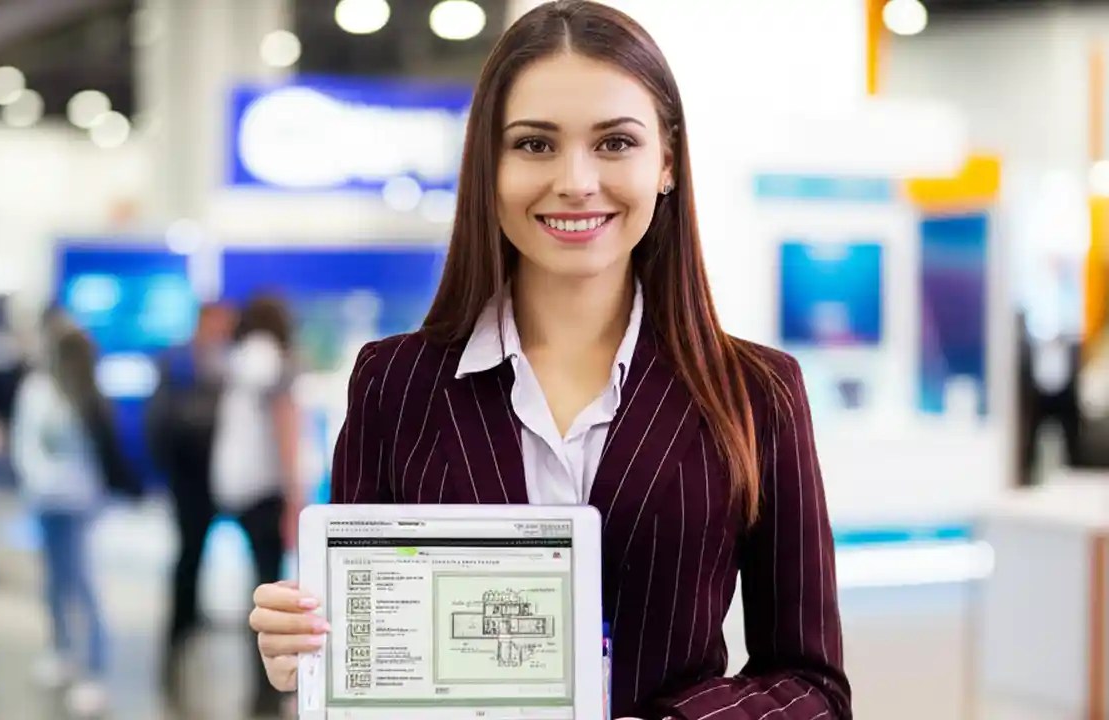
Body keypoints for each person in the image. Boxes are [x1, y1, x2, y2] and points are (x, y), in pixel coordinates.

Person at [248, 2, 851, 719]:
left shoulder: (757, 393)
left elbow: (813, 687)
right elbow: (369, 668)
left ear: (666, 162)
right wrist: (309, 649)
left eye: (615, 143)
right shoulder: (395, 386)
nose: (575, 180)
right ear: (489, 166)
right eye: (535, 145)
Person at [11, 317, 131, 717]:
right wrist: (38, 482)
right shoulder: (38, 390)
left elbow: (107, 454)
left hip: (80, 503)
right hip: (47, 502)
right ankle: (62, 651)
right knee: (53, 581)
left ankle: (94, 669)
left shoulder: (88, 397)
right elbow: (25, 444)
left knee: (82, 583)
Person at [211, 294, 302, 716]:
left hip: (238, 488)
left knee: (259, 590)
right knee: (272, 595)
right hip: (266, 490)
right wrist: (295, 496)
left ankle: (261, 690)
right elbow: (285, 429)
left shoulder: (240, 359)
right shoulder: (271, 361)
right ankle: (270, 690)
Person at [145, 301, 235, 697]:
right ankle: (180, 624)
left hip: (218, 474)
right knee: (188, 553)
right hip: (188, 476)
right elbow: (162, 419)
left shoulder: (227, 364)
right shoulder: (179, 362)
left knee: (200, 552)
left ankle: (193, 616)